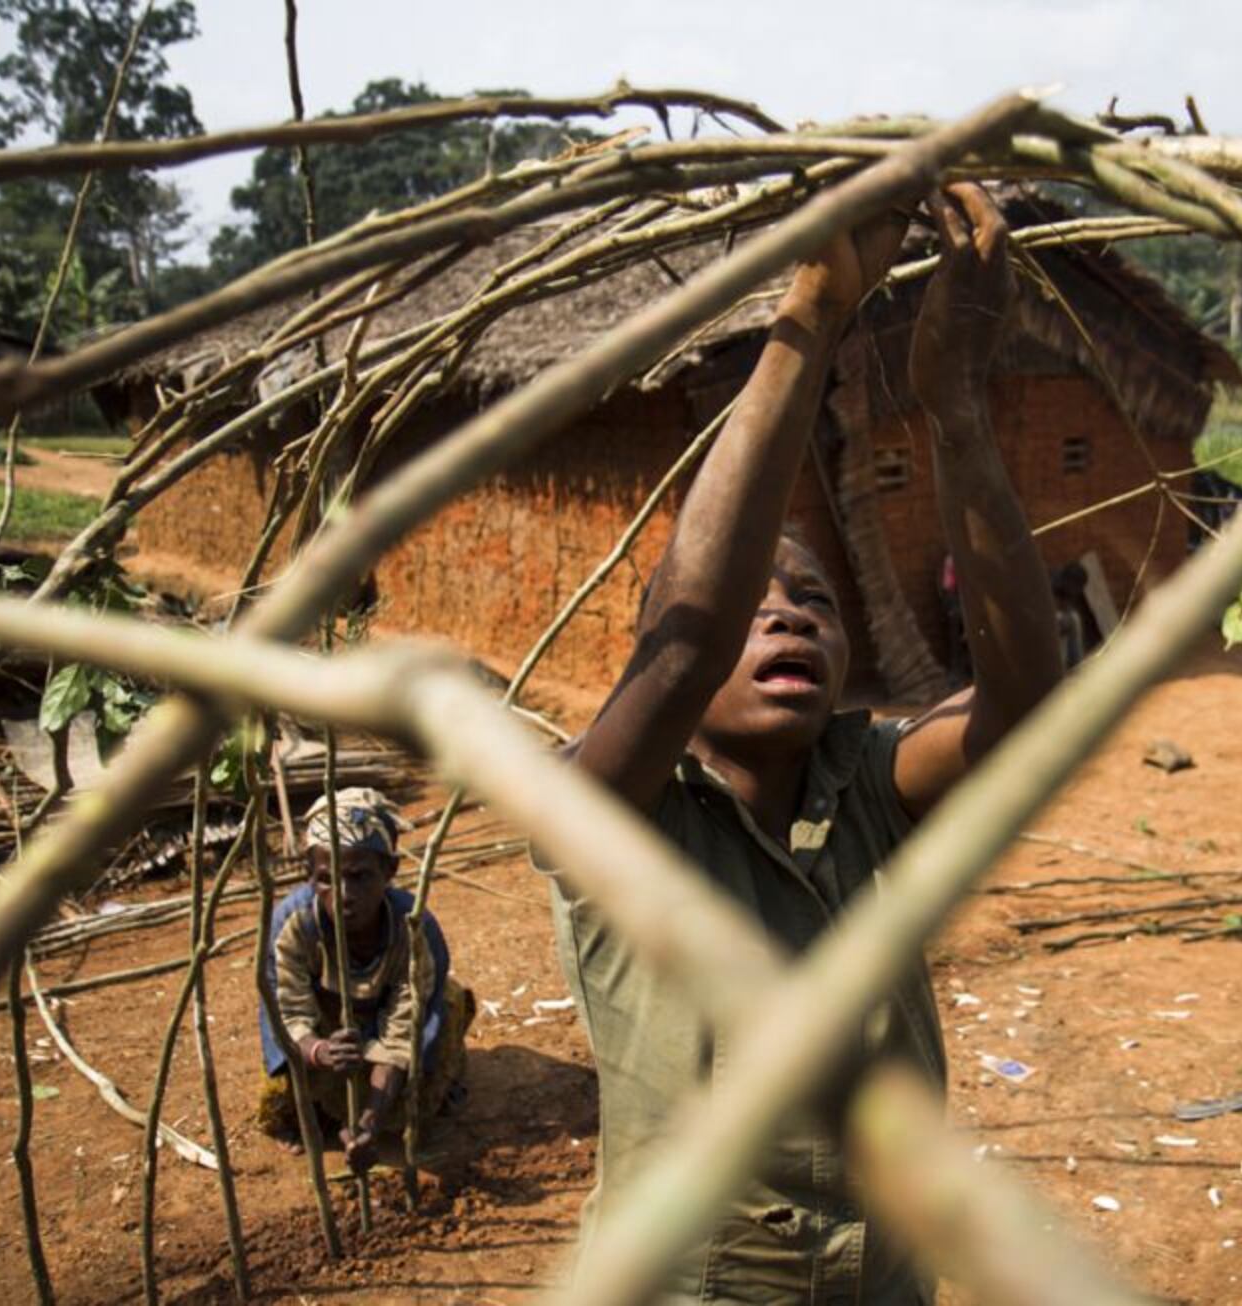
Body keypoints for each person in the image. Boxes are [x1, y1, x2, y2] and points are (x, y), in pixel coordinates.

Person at [547, 184, 1064, 1303]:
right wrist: (814, 317)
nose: (785, 616)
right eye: (755, 603)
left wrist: (956, 408)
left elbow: (1026, 707)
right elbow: (686, 639)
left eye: (815, 603)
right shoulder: (608, 812)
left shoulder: (870, 781)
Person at [257, 786, 477, 1171]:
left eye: (359, 877)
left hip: (383, 1031)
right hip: (326, 1032)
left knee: (420, 1097)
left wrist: (370, 1122)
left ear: (389, 872)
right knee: (285, 1099)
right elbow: (287, 1010)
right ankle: (320, 1112)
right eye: (326, 879)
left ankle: (376, 1107)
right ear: (310, 876)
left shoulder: (413, 929)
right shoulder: (292, 925)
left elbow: (401, 1032)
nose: (343, 894)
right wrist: (319, 1051)